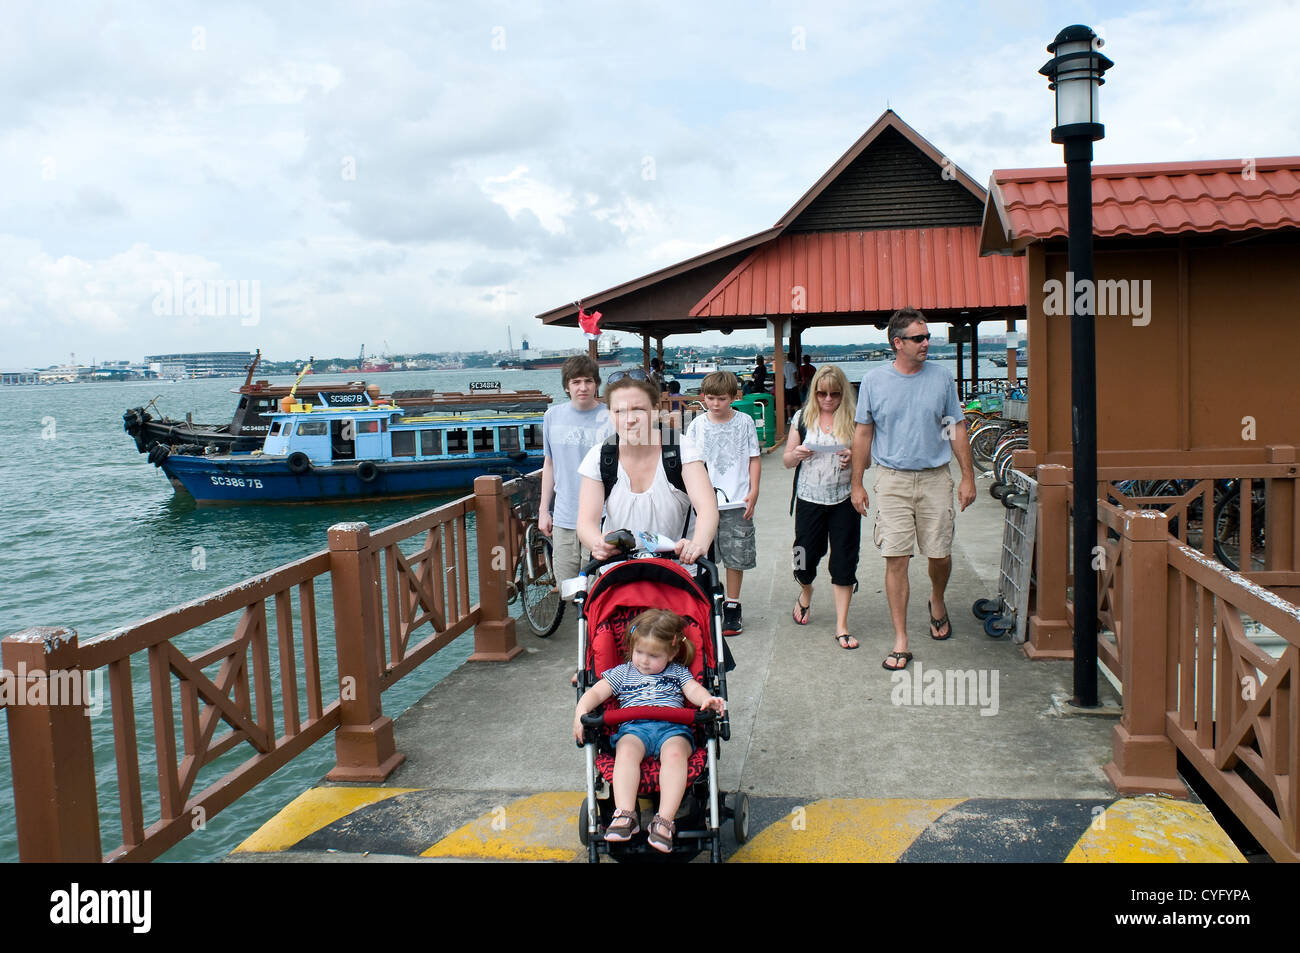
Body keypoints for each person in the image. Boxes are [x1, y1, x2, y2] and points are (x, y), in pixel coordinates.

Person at [849, 307, 976, 671]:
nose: (926, 343)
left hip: (936, 477)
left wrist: (967, 476)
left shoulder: (941, 378)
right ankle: (901, 638)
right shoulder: (874, 380)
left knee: (940, 553)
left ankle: (937, 597)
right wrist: (857, 484)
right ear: (897, 343)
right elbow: (863, 433)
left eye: (927, 336)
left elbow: (956, 426)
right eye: (918, 338)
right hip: (892, 480)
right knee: (896, 557)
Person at [573, 608, 726, 852]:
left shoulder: (678, 673)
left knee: (675, 755)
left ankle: (664, 821)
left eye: (653, 655)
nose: (644, 660)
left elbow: (694, 691)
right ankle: (625, 814)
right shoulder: (623, 673)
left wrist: (707, 699)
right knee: (625, 753)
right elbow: (595, 693)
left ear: (672, 652)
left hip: (673, 729)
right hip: (634, 728)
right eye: (639, 652)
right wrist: (580, 714)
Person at [576, 374, 718, 567]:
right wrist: (598, 543)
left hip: (677, 572)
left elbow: (707, 508)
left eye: (638, 409)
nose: (629, 420)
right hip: (619, 573)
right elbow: (586, 522)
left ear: (655, 411)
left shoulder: (682, 449)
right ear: (609, 414)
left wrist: (697, 545)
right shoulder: (599, 456)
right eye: (619, 411)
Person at [784, 364, 861, 649]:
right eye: (822, 394)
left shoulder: (853, 418)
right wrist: (798, 453)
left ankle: (841, 625)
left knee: (844, 560)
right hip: (809, 499)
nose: (828, 400)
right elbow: (786, 460)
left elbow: (867, 457)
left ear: (844, 393)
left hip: (843, 500)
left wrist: (852, 457)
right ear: (814, 392)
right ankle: (806, 589)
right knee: (802, 557)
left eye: (834, 394)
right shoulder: (803, 418)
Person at [685, 371, 760, 637]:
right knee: (702, 553)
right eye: (711, 398)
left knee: (735, 554)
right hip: (705, 501)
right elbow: (690, 463)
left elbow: (754, 457)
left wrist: (754, 490)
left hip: (737, 499)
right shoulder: (696, 425)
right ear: (704, 397)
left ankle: (733, 604)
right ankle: (707, 600)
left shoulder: (745, 422)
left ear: (733, 398)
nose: (715, 404)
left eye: (721, 399)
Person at [539, 355, 613, 590]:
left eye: (589, 381)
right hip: (564, 517)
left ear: (597, 384)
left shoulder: (612, 418)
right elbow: (549, 464)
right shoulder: (551, 416)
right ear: (566, 386)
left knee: (598, 588)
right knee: (568, 588)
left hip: (602, 518)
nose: (583, 387)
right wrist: (543, 510)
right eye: (576, 382)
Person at [782, 351, 800, 423]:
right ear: (794, 358)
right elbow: (795, 376)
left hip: (787, 386)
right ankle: (797, 419)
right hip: (794, 386)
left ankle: (789, 418)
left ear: (788, 358)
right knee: (796, 403)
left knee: (788, 404)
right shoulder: (793, 365)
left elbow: (784, 378)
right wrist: (798, 385)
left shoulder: (785, 366)